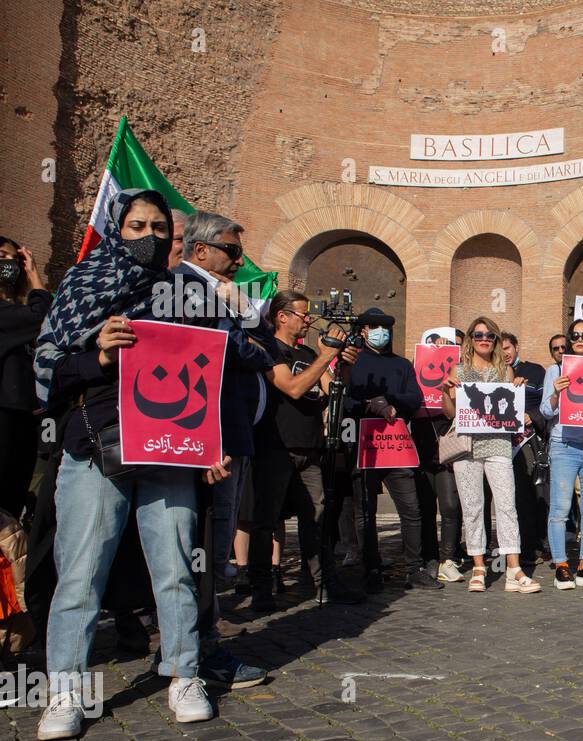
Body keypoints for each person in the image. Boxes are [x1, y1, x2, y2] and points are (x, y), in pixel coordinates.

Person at [32, 189, 232, 739]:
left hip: (170, 449)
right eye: (136, 226)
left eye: (158, 228)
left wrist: (213, 443)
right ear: (117, 230)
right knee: (81, 572)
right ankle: (66, 691)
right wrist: (98, 352)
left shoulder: (187, 294)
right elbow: (48, 371)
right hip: (97, 445)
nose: (148, 236)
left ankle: (184, 674)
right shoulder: (83, 283)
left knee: (174, 569)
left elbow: (213, 374)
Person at [152, 209, 273, 690]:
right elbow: (237, 350)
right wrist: (249, 329)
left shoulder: (217, 292)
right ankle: (199, 650)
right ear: (200, 250)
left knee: (209, 548)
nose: (239, 261)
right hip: (208, 441)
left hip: (225, 436)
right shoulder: (187, 288)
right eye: (232, 250)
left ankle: (188, 642)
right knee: (204, 546)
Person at [248, 291, 366, 610]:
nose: (308, 321)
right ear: (282, 316)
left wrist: (343, 365)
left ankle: (323, 583)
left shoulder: (309, 352)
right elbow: (294, 388)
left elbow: (332, 389)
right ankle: (260, 589)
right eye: (303, 315)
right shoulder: (267, 349)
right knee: (267, 519)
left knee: (317, 516)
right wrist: (326, 357)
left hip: (311, 448)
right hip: (276, 446)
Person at [440, 316, 540, 594]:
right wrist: (444, 394)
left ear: (495, 340)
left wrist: (516, 392)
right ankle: (479, 566)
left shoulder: (503, 370)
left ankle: (514, 569)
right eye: (479, 334)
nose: (484, 339)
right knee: (472, 508)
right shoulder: (458, 370)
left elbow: (512, 413)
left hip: (498, 444)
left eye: (490, 336)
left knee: (507, 506)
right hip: (467, 446)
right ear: (471, 338)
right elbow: (450, 414)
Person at [345, 307, 440, 593]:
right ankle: (371, 567)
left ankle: (414, 568)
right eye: (374, 326)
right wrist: (369, 404)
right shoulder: (354, 361)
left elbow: (415, 397)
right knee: (365, 511)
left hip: (397, 443)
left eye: (385, 327)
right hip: (365, 444)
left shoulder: (401, 365)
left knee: (411, 509)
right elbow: (345, 400)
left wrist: (390, 400)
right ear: (363, 330)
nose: (381, 332)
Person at [540, 317, 583, 588]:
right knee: (560, 508)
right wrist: (557, 394)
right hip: (564, 446)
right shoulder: (555, 369)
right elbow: (546, 412)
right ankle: (561, 566)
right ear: (568, 340)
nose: (580, 340)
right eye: (575, 335)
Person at [0, 236, 50, 519]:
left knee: (13, 499)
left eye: (15, 259)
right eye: (1, 256)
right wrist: (34, 275)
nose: (9, 264)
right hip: (4, 412)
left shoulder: (16, 310)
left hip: (24, 415)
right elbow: (42, 317)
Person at [501, 331, 548, 562]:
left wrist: (532, 415)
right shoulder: (494, 373)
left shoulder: (535, 370)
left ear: (516, 347)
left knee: (529, 495)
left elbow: (548, 404)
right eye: (499, 350)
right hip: (499, 442)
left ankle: (532, 545)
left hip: (527, 441)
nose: (504, 353)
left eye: (507, 348)